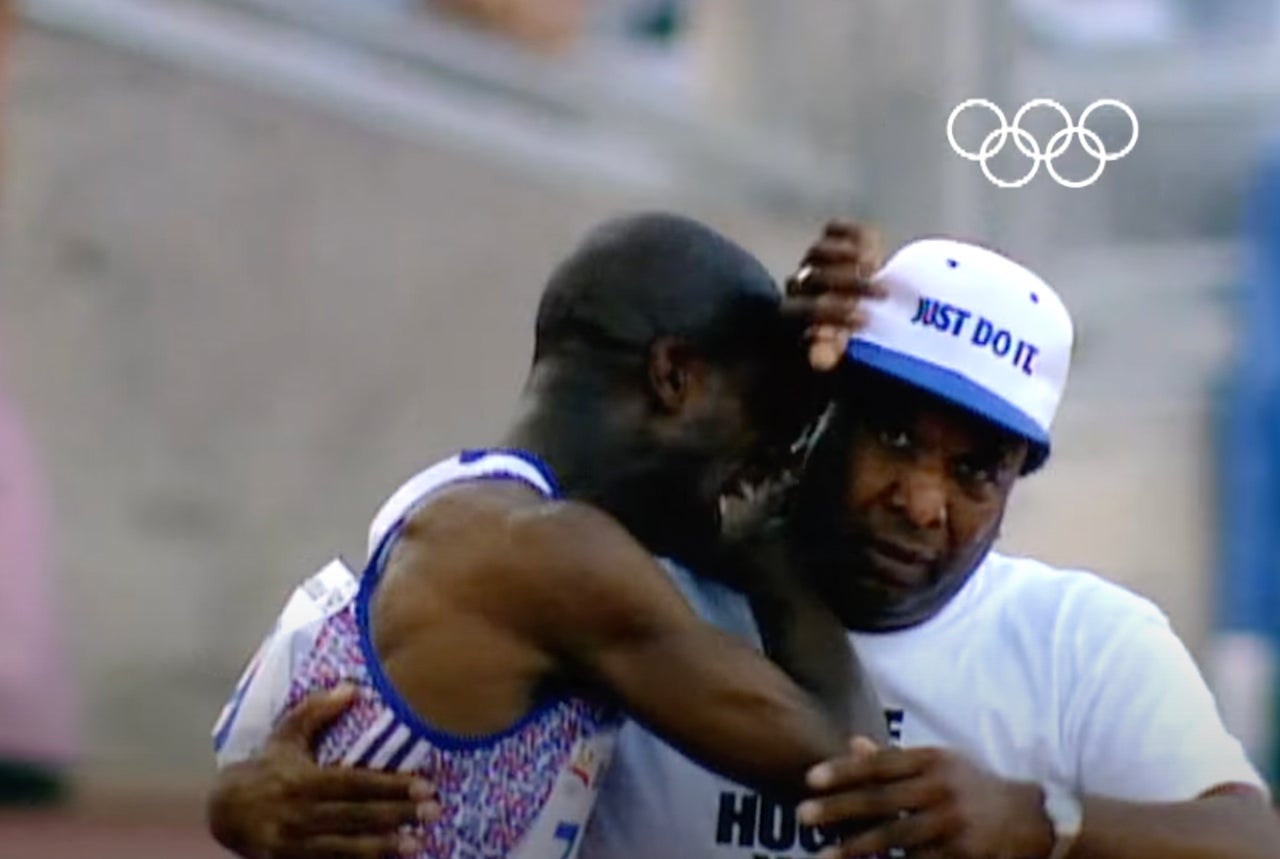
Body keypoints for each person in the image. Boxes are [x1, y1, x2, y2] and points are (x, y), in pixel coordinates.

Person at [212, 230, 1280, 859]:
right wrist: (241, 798)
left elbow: (1250, 841)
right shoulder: (640, 578)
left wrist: (1043, 825)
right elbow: (853, 765)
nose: (919, 500)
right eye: (891, 436)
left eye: (974, 471)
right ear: (818, 416)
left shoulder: (1081, 639)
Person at [207, 212, 888, 859]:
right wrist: (774, 539)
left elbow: (245, 764)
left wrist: (231, 802)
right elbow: (852, 766)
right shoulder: (551, 554)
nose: (768, 457)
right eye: (764, 412)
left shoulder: (448, 503)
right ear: (674, 376)